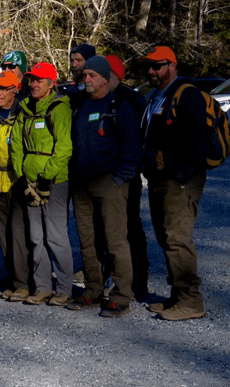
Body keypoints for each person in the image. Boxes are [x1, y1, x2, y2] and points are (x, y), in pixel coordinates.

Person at [66, 56, 141, 317]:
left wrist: (120, 178)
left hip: (109, 184)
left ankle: (121, 294)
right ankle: (93, 290)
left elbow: (132, 148)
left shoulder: (120, 106)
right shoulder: (82, 106)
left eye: (91, 76)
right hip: (82, 186)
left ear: (105, 79)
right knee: (88, 241)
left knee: (115, 241)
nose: (86, 80)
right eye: (84, 75)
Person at [138, 46, 208, 321]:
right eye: (149, 67)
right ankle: (177, 296)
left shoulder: (187, 94)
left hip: (179, 181)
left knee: (178, 239)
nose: (152, 71)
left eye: (158, 66)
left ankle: (191, 301)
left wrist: (181, 176)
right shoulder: (159, 95)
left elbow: (197, 141)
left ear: (172, 65)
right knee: (167, 237)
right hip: (160, 179)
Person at [11, 62, 75, 305]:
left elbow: (64, 148)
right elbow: (16, 145)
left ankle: (65, 288)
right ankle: (42, 287)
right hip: (29, 182)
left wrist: (47, 179)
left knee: (56, 236)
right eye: (32, 80)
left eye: (39, 80)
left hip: (55, 182)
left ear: (51, 84)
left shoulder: (59, 109)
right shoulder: (25, 108)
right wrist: (22, 179)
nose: (34, 84)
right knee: (36, 237)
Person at [0, 71, 32, 302]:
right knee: (3, 236)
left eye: (3, 88)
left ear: (15, 90)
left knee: (18, 234)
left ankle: (23, 283)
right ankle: (14, 278)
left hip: (18, 180)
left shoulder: (23, 112)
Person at [107, 54, 150, 301]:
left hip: (127, 176)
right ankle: (114, 275)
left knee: (130, 228)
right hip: (105, 177)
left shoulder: (132, 99)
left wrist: (128, 171)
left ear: (114, 75)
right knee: (109, 230)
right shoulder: (98, 99)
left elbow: (138, 139)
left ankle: (139, 281)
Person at [59, 44, 97, 110]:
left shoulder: (99, 90)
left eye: (79, 60)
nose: (74, 65)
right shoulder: (67, 92)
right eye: (72, 61)